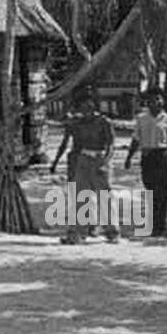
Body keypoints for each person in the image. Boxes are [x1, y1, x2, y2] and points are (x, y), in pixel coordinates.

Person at [50, 87, 118, 243]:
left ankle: (112, 232)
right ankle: (77, 233)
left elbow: (110, 146)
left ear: (94, 105)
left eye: (89, 106)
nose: (86, 109)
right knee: (81, 197)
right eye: (82, 106)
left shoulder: (104, 122)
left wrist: (105, 163)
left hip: (100, 159)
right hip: (83, 160)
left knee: (104, 197)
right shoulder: (77, 123)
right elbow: (62, 123)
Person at [125, 88, 167, 237]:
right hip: (147, 157)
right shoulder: (141, 119)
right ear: (147, 102)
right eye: (152, 100)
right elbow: (136, 139)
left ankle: (160, 226)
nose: (156, 102)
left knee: (162, 192)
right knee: (150, 190)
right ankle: (151, 222)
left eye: (158, 99)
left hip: (162, 156)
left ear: (163, 101)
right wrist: (129, 157)